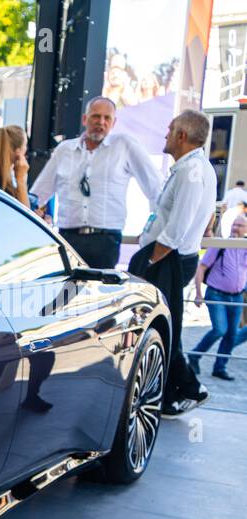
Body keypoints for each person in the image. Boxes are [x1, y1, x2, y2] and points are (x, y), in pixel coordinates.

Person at [128, 109, 216, 416]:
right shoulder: (191, 169)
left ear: (182, 135)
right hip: (168, 257)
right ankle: (168, 395)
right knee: (165, 326)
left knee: (162, 327)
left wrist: (148, 260)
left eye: (170, 130)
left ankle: (188, 387)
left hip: (168, 259)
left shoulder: (192, 172)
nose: (165, 134)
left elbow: (177, 229)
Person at [29, 96, 162, 269]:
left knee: (99, 293)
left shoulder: (124, 146)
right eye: (96, 116)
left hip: (105, 240)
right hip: (68, 237)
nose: (101, 122)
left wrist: (154, 230)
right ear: (85, 119)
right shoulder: (65, 150)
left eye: (107, 118)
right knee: (67, 294)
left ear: (114, 122)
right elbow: (37, 194)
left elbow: (155, 187)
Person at [192, 213, 247, 381]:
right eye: (234, 224)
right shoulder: (220, 244)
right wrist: (198, 293)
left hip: (237, 297)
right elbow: (201, 267)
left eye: (239, 225)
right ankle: (194, 356)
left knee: (231, 334)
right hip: (216, 294)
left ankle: (220, 367)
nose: (235, 228)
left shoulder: (245, 247)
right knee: (220, 329)